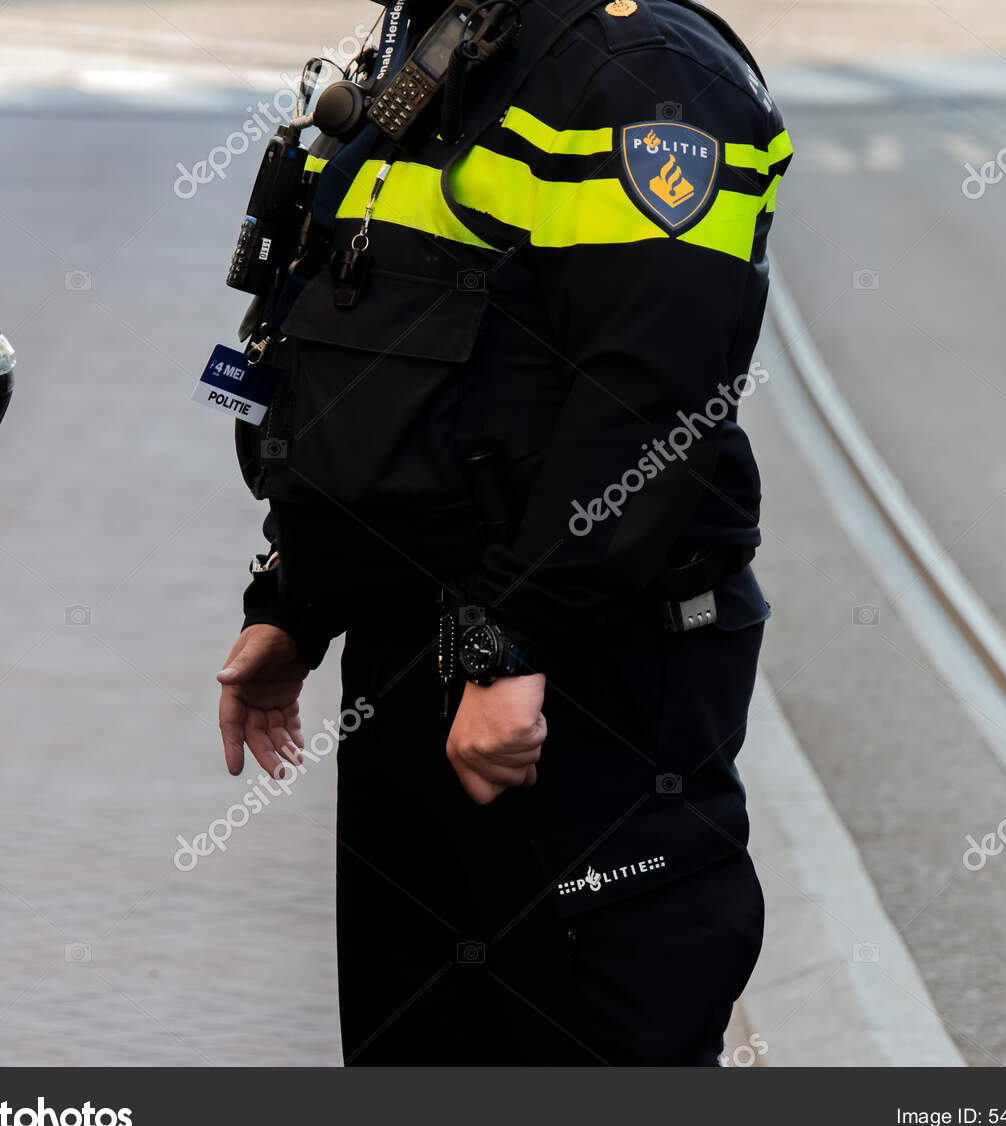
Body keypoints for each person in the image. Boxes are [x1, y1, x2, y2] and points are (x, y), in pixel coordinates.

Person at [215, 0, 791, 1064]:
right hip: (416, 663)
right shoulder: (440, 44)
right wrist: (295, 600)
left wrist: (511, 641)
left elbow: (651, 401)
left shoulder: (645, 74)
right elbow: (383, 365)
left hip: (581, 685)